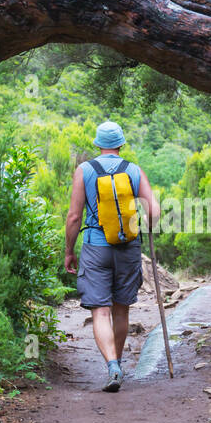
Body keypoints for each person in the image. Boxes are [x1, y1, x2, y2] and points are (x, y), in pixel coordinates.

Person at [65, 121, 160, 392]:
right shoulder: (134, 170)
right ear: (121, 143)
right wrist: (150, 226)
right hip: (128, 247)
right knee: (121, 308)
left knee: (100, 311)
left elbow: (74, 217)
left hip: (96, 246)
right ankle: (117, 364)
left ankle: (112, 367)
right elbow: (153, 210)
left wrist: (69, 251)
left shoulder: (84, 171)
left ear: (97, 144)